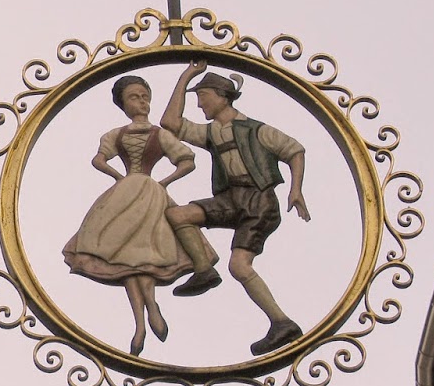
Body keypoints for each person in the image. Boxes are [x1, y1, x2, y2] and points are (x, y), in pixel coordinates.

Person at [160, 60, 310, 356]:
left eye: (203, 97)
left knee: (239, 266)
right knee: (178, 214)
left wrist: (296, 190)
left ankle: (282, 323)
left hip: (258, 202)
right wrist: (186, 75)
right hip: (230, 199)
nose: (199, 105)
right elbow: (171, 123)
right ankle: (204, 270)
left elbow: (294, 150)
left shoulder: (256, 130)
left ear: (221, 96)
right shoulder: (211, 132)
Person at [62, 75, 217, 356]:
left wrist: (164, 183)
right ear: (123, 104)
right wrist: (118, 177)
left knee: (144, 255)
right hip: (124, 193)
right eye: (134, 97)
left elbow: (187, 161)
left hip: (150, 193)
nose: (142, 101)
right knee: (127, 258)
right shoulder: (115, 134)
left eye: (145, 96)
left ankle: (149, 313)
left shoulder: (160, 134)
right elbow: (99, 159)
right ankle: (141, 323)